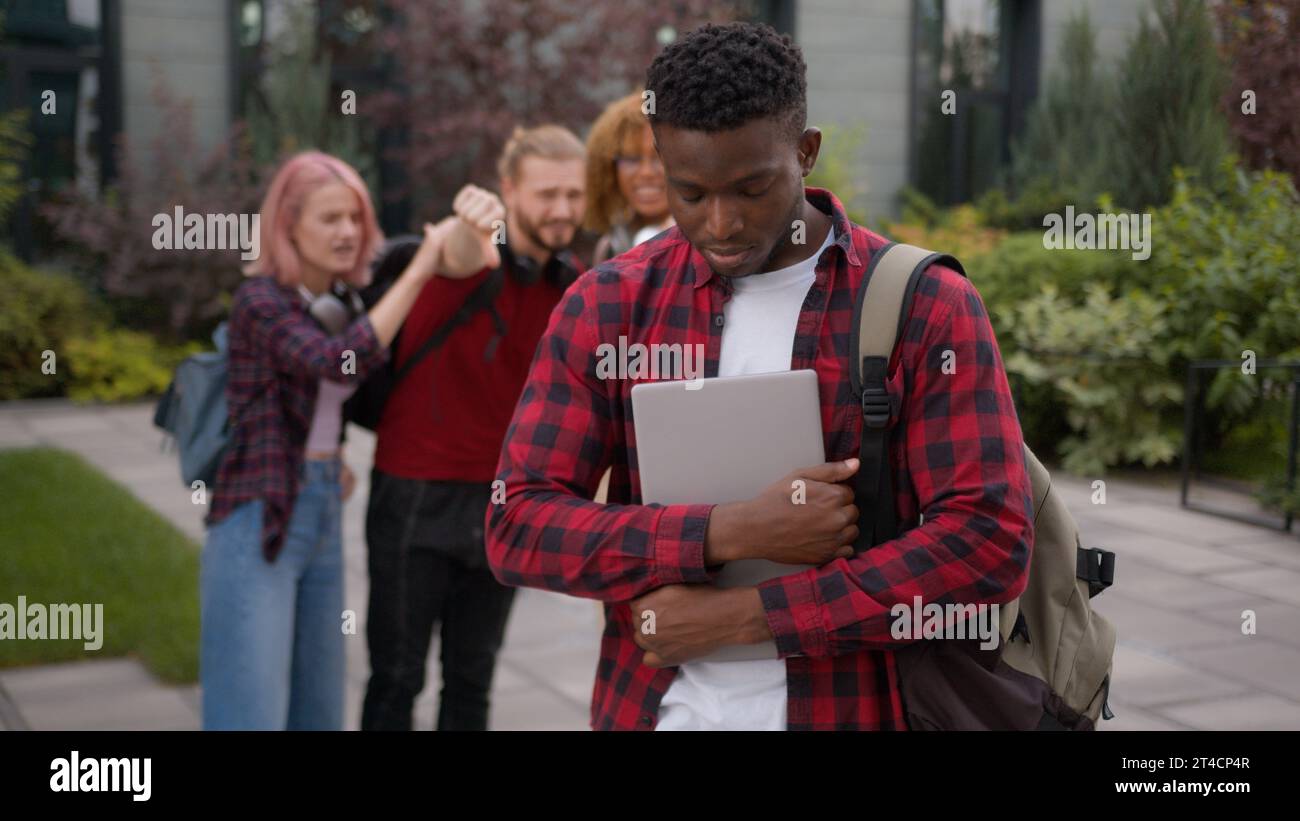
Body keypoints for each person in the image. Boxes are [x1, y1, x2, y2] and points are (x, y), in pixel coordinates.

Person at [485, 23, 1035, 731]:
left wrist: (747, 616)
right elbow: (517, 522)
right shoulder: (610, 304)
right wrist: (729, 531)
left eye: (752, 188)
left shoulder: (925, 305)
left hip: (853, 710)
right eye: (690, 193)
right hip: (657, 711)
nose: (721, 223)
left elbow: (988, 542)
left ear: (805, 152)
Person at [201, 151, 453, 730]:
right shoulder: (260, 303)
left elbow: (326, 397)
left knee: (318, 709)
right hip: (258, 515)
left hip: (318, 509)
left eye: (355, 218)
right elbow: (337, 364)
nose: (347, 232)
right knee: (250, 710)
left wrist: (330, 451)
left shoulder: (338, 304)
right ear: (287, 225)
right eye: (330, 218)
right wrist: (419, 272)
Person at [361, 125, 587, 731]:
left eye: (573, 194)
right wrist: (471, 218)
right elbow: (464, 247)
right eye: (546, 194)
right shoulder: (470, 255)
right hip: (416, 496)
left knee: (471, 681)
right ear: (508, 189)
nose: (561, 209)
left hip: (500, 504)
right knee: (398, 678)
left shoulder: (570, 285)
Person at [584, 90, 675, 266]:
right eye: (631, 159)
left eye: (660, 158)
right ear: (610, 169)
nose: (646, 172)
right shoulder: (609, 249)